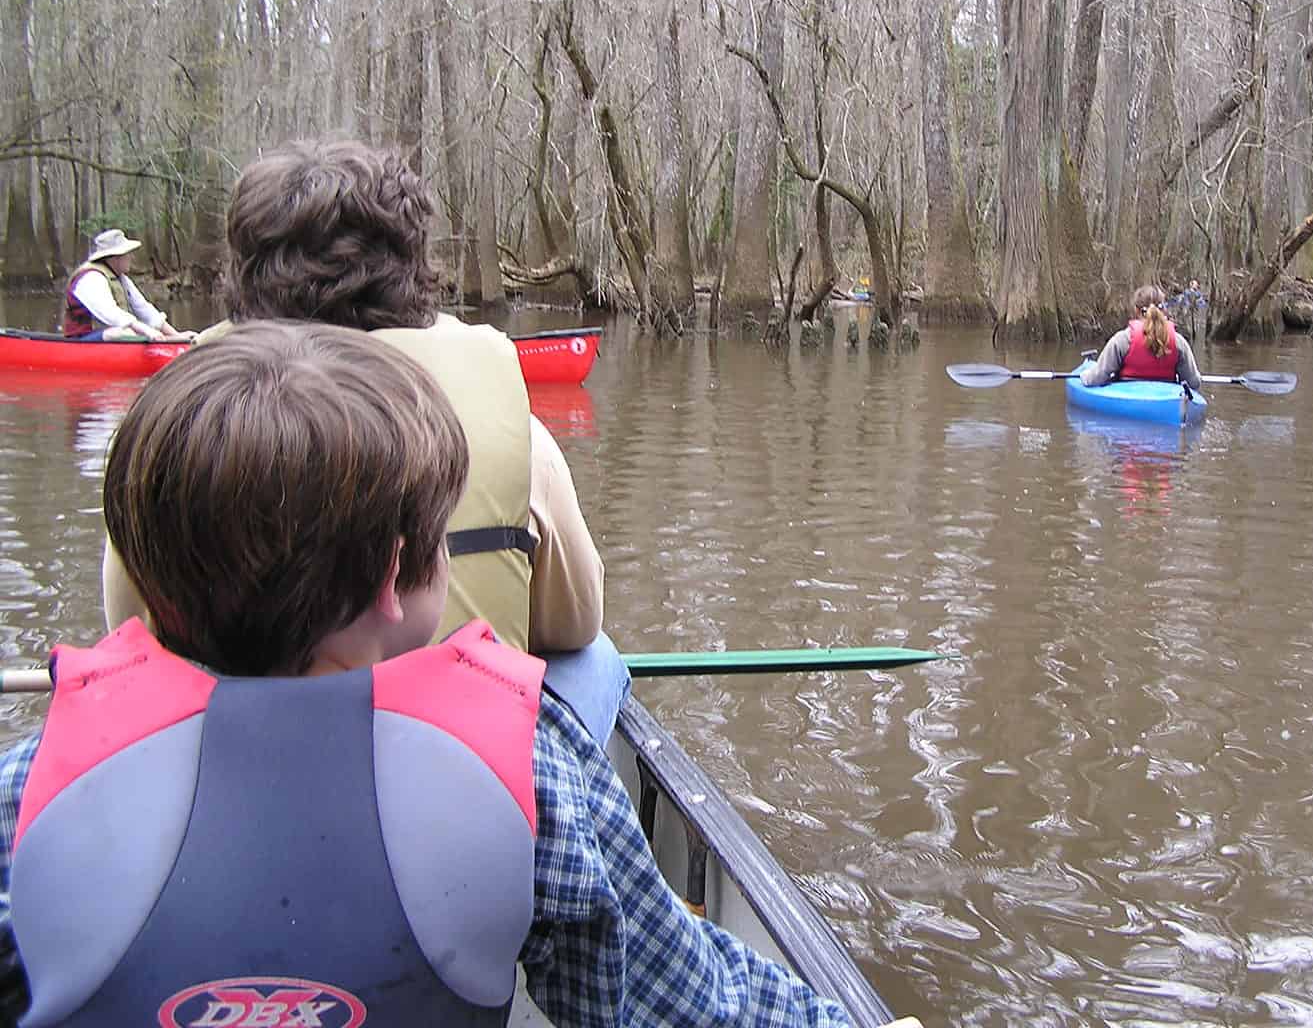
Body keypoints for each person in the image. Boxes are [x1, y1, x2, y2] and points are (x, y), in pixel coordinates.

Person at [0, 321, 858, 1028]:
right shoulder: (529, 771)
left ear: (150, 583)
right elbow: (679, 1004)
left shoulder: (26, 794)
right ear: (393, 578)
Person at [101, 140, 601, 658]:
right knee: (594, 661)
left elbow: (127, 623)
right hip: (450, 724)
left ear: (245, 272)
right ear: (412, 264)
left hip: (225, 728)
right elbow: (575, 622)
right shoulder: (519, 438)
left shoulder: (173, 435)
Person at [58, 229, 195, 342]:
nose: (131, 258)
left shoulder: (121, 278)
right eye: (127, 254)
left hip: (109, 335)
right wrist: (146, 330)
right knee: (123, 333)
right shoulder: (90, 279)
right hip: (80, 340)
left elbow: (143, 308)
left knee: (127, 332)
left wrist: (176, 336)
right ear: (115, 258)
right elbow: (111, 313)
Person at [1080, 283, 1203, 390]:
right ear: (1164, 310)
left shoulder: (1122, 340)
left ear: (1136, 310)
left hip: (1128, 401)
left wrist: (1083, 376)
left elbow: (1097, 377)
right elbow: (1193, 383)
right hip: (1165, 402)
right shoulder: (1178, 342)